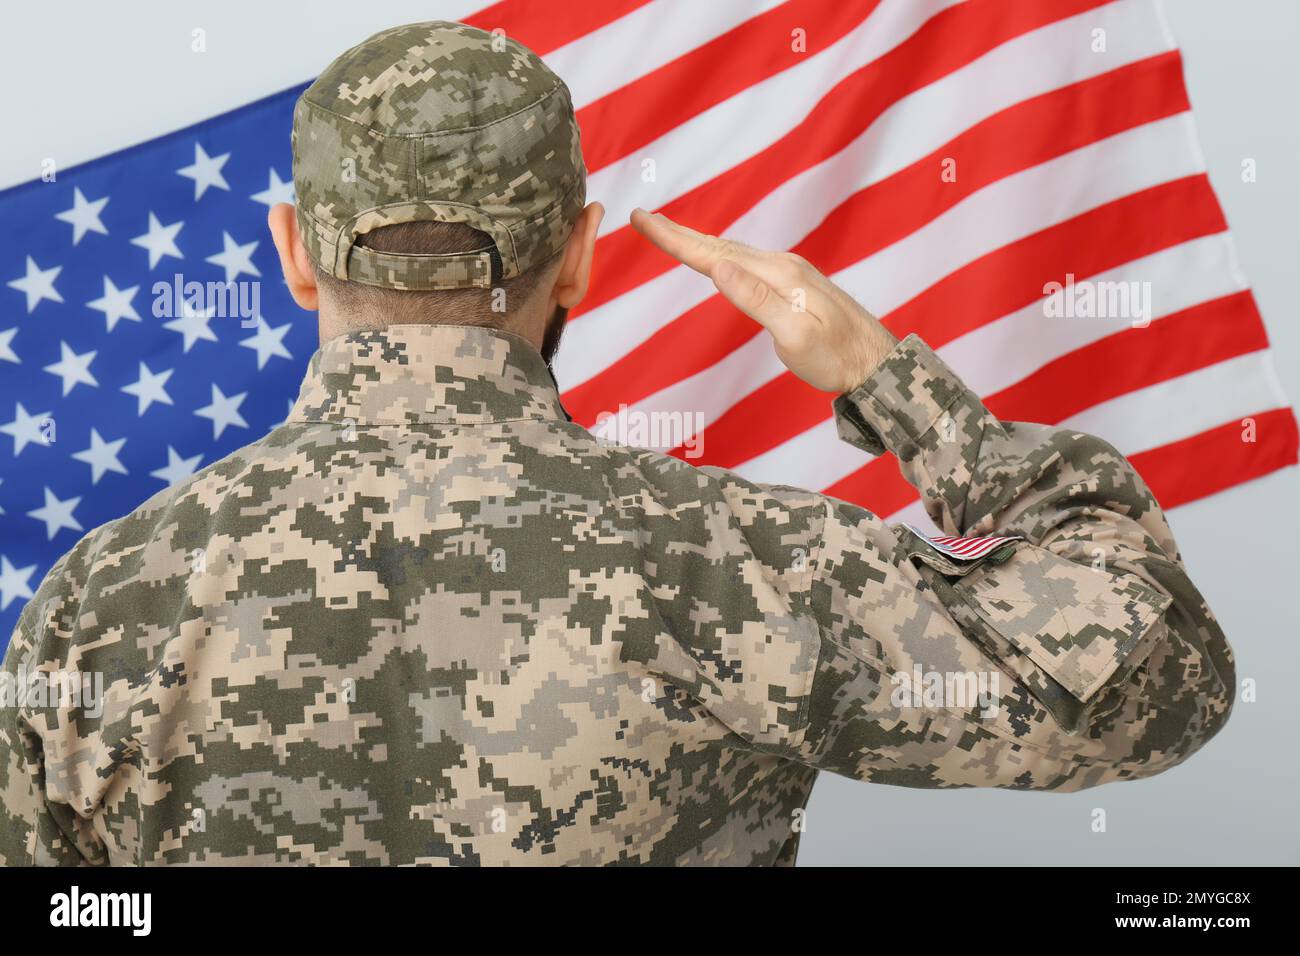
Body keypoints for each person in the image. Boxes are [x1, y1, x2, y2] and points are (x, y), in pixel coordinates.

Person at [0, 21, 1233, 866]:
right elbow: (1157, 677)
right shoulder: (746, 563)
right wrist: (884, 378)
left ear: (291, 253)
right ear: (584, 251)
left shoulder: (98, 606)